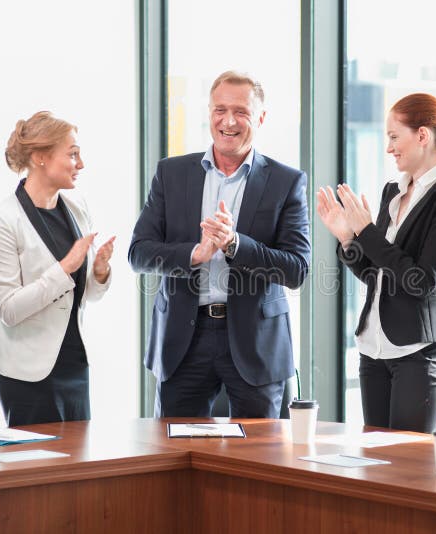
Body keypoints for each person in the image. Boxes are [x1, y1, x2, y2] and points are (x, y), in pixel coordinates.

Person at [129, 71, 311, 418]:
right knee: (174, 454)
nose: (229, 121)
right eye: (219, 110)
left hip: (256, 343)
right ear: (209, 113)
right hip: (183, 341)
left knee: (260, 460)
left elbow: (296, 269)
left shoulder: (286, 182)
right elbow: (139, 252)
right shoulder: (172, 173)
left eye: (241, 111)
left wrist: (235, 244)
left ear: (260, 117)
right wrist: (193, 254)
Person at [317, 93, 436, 433]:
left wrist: (366, 231)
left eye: (394, 136)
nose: (389, 148)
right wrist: (348, 238)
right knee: (376, 464)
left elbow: (421, 282)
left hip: (419, 352)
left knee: (408, 467)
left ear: (422, 136)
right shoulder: (393, 191)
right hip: (373, 349)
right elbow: (376, 274)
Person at [0, 111, 115, 426]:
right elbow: (10, 310)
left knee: (78, 471)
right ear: (40, 157)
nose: (80, 163)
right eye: (72, 154)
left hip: (75, 367)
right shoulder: (1, 221)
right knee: (39, 471)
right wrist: (66, 267)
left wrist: (98, 272)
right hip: (28, 375)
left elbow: (85, 296)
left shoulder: (76, 208)